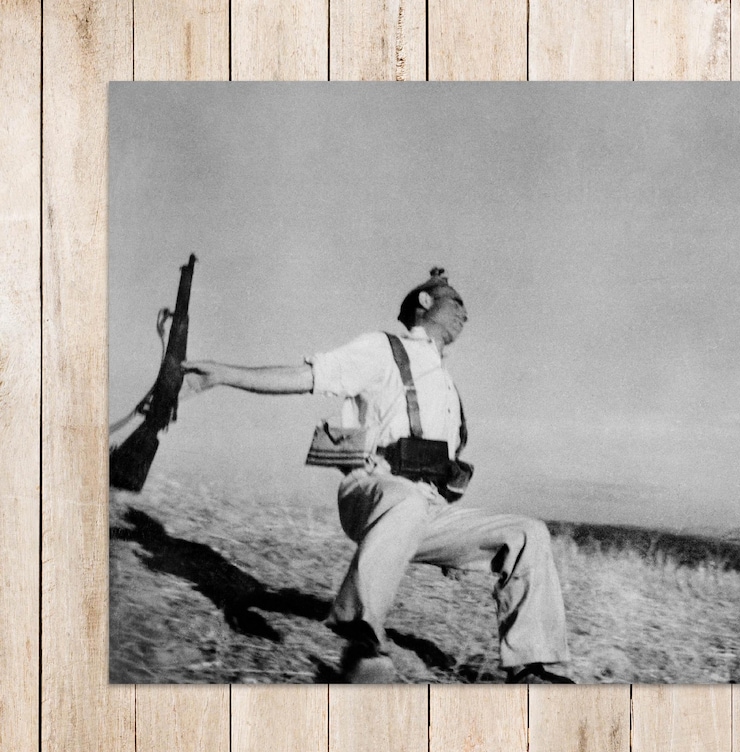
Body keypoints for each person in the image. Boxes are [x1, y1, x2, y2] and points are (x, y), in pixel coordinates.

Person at [183, 268, 573, 684]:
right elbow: (306, 377)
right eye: (457, 303)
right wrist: (223, 374)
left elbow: (443, 470)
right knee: (403, 501)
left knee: (528, 532)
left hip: (425, 507)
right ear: (425, 303)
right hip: (372, 489)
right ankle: (362, 639)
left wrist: (457, 545)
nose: (466, 315)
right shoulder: (382, 349)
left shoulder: (447, 385)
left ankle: (534, 668)